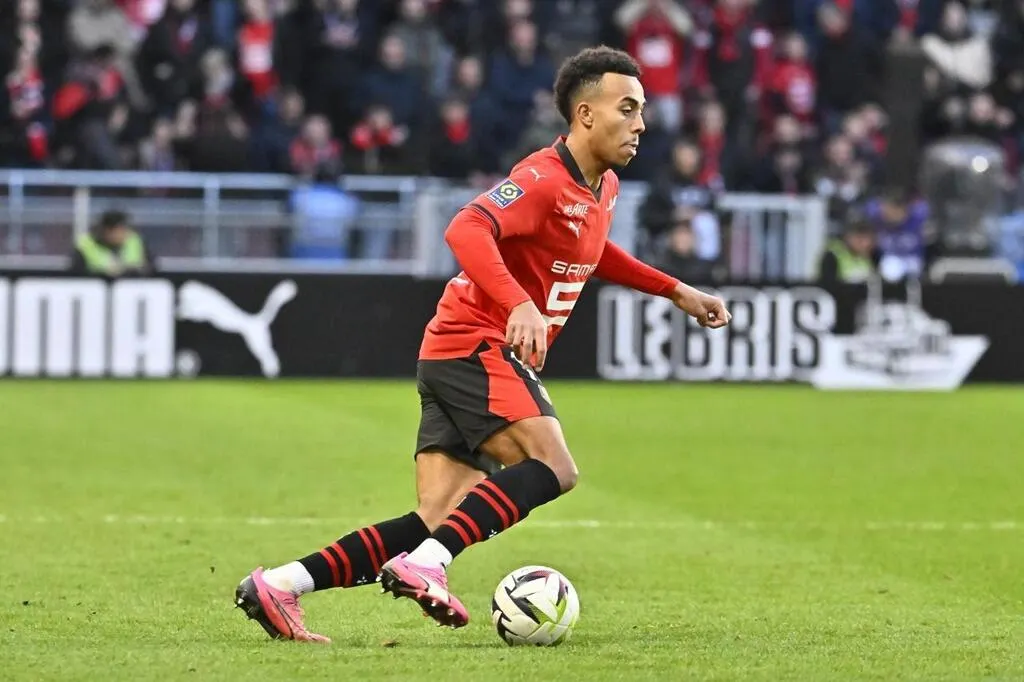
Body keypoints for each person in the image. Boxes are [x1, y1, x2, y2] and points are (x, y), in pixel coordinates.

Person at [234, 46, 732, 643]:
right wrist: (518, 303)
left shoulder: (604, 189)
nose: (641, 124)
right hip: (477, 341)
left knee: (436, 516)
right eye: (627, 109)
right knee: (553, 466)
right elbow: (465, 226)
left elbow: (595, 251)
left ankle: (282, 585)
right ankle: (428, 564)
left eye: (642, 110)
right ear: (585, 114)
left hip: (451, 349)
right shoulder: (542, 180)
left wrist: (675, 289)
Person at [69, 209, 157, 277]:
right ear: (105, 230)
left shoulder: (136, 241)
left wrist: (133, 270)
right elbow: (76, 274)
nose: (119, 235)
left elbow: (151, 268)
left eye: (123, 230)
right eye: (115, 231)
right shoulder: (86, 245)